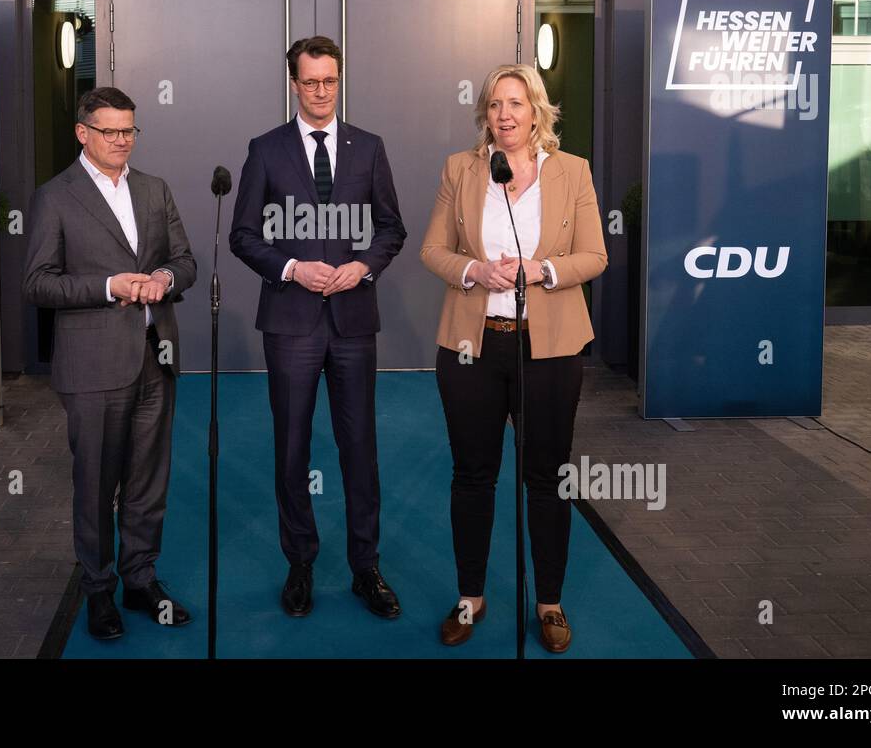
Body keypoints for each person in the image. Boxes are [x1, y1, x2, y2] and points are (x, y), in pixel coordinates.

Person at [420, 63, 607, 652]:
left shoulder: (572, 172)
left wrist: (542, 270)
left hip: (548, 348)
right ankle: (470, 597)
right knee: (473, 475)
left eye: (516, 103)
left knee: (547, 478)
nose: (505, 114)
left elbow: (595, 255)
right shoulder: (461, 169)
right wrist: (475, 270)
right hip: (474, 346)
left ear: (537, 112)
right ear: (486, 114)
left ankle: (548, 602)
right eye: (495, 104)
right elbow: (432, 250)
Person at [229, 35, 407, 619]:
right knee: (292, 447)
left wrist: (363, 267)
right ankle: (300, 562)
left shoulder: (370, 147)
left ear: (340, 79)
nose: (322, 91)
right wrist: (291, 268)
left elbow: (391, 229)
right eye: (311, 82)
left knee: (361, 447)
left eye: (330, 80)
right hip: (291, 323)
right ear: (293, 83)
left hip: (354, 322)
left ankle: (366, 566)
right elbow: (244, 236)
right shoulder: (265, 149)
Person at [22, 86, 197, 641]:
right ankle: (97, 591)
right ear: (83, 133)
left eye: (129, 130)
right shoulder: (56, 196)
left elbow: (184, 260)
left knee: (148, 482)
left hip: (155, 357)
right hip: (93, 367)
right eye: (110, 131)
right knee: (96, 485)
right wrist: (107, 286)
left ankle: (140, 578)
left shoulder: (153, 189)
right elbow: (37, 283)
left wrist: (165, 280)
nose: (122, 140)